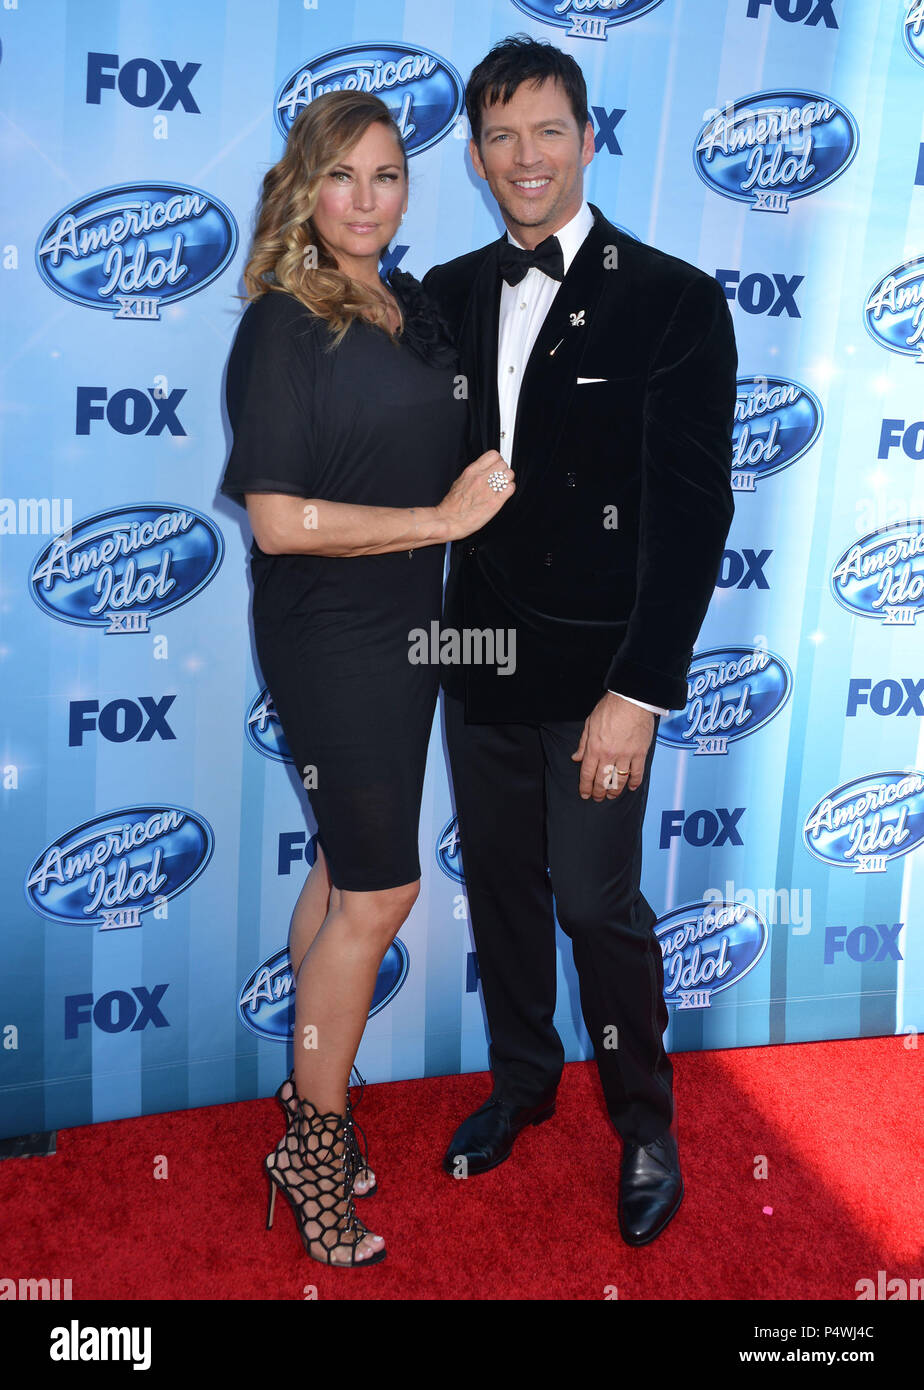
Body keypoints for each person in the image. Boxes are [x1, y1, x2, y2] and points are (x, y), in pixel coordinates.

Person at [423, 36, 737, 1246]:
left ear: (590, 137)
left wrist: (640, 692)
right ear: (477, 155)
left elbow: (693, 512)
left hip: (604, 674)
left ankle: (645, 1122)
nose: (525, 156)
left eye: (547, 130)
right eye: (501, 136)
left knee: (598, 906)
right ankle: (520, 1080)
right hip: (480, 661)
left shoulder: (671, 297)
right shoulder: (446, 292)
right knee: (501, 883)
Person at [219, 89, 514, 1267]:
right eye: (341, 176)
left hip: (407, 633)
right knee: (382, 898)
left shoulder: (408, 311)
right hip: (329, 636)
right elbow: (280, 523)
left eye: (386, 175)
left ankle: (306, 1120)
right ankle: (314, 1149)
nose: (365, 199)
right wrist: (436, 519)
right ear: (305, 186)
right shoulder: (284, 324)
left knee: (348, 873)